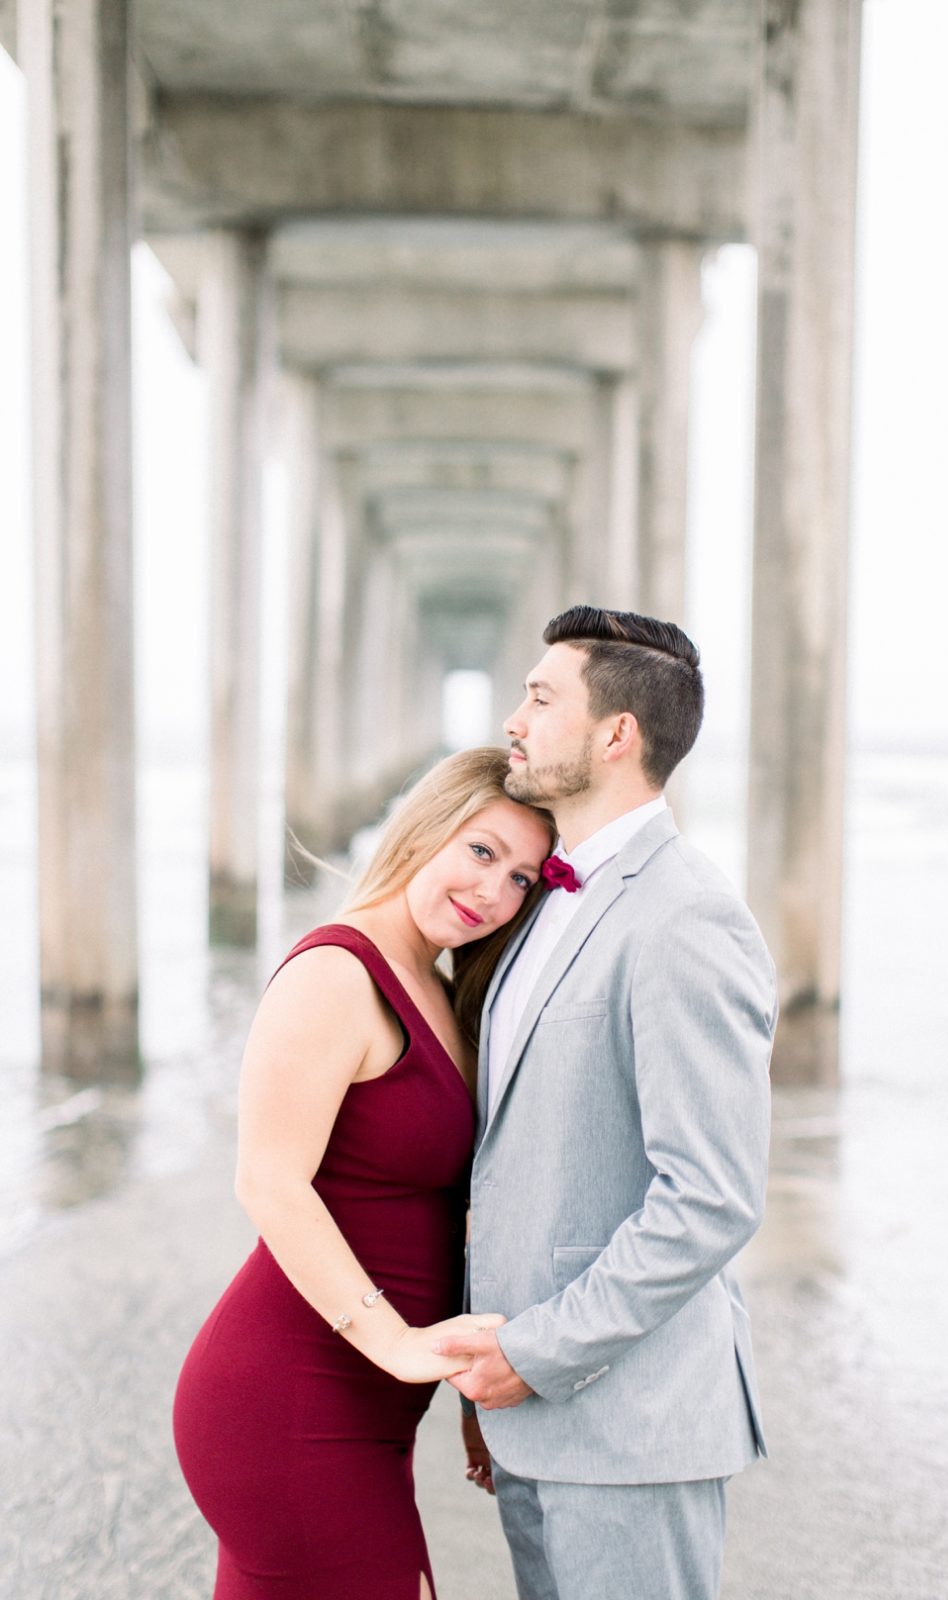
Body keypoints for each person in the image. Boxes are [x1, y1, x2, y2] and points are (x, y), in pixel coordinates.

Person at [434, 607, 778, 1600]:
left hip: (630, 1429)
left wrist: (531, 1355)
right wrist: (494, 1373)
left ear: (614, 735)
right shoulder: (547, 897)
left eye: (540, 699)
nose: (514, 719)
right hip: (530, 1416)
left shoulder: (685, 917)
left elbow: (710, 1198)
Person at [173, 747, 553, 1600]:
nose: (494, 892)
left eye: (523, 878)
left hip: (368, 1414)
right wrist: (400, 1346)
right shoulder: (335, 973)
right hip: (287, 1402)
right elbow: (268, 1180)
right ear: (426, 825)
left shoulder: (439, 984)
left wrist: (460, 1387)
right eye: (481, 851)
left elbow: (459, 1212)